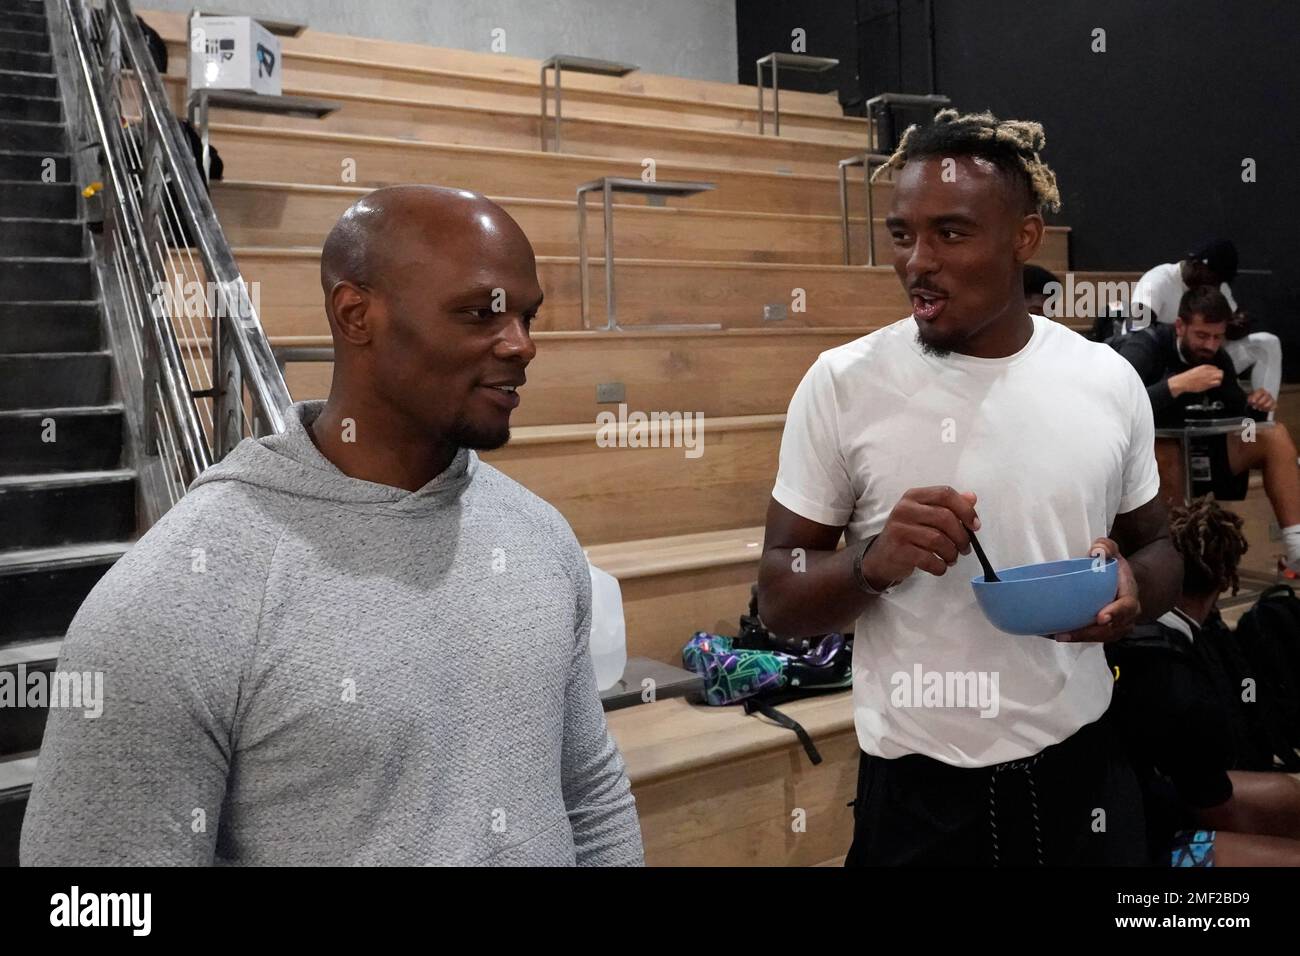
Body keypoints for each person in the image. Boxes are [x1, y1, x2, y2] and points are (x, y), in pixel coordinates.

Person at [21, 185, 645, 866]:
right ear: (356, 314)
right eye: (479, 314)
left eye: (527, 316)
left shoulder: (540, 537)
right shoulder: (174, 599)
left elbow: (587, 793)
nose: (521, 345)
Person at [757, 109, 1182, 866]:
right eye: (902, 234)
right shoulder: (842, 384)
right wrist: (872, 563)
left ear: (1024, 237)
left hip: (1083, 775)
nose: (918, 261)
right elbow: (779, 599)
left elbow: (1160, 545)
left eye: (950, 234)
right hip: (919, 803)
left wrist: (1132, 590)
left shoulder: (1107, 380)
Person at [1106, 498, 1300, 866]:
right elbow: (1217, 816)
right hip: (1134, 830)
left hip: (1130, 793)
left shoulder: (1123, 633)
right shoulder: (1178, 684)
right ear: (1225, 580)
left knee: (1287, 795)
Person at [1118, 285, 1300, 571]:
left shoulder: (1217, 357)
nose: (1210, 346)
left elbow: (1239, 416)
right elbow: (1116, 402)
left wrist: (1254, 408)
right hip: (1153, 453)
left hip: (1203, 452)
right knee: (1164, 450)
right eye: (1202, 335)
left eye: (1218, 337)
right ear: (1180, 326)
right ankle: (1176, 555)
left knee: (1272, 434)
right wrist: (1175, 387)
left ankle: (1296, 548)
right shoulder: (1146, 346)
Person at [1131, 239, 1282, 411]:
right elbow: (1136, 330)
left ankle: (1261, 419)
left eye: (1222, 281)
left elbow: (1226, 329)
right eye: (1215, 279)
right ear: (1196, 266)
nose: (1217, 286)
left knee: (1267, 343)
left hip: (1205, 358)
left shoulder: (1217, 287)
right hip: (1161, 368)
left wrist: (1238, 324)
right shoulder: (1157, 280)